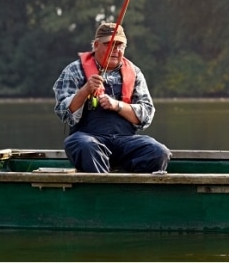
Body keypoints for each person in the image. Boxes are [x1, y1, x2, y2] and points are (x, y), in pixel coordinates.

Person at [52, 22, 171, 174]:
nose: (115, 50)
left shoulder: (135, 73)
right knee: (83, 145)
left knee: (158, 151)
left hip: (125, 141)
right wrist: (85, 90)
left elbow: (146, 115)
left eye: (120, 46)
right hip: (90, 138)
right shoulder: (74, 70)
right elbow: (63, 112)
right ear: (96, 45)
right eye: (109, 44)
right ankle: (104, 185)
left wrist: (117, 105)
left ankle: (130, 184)